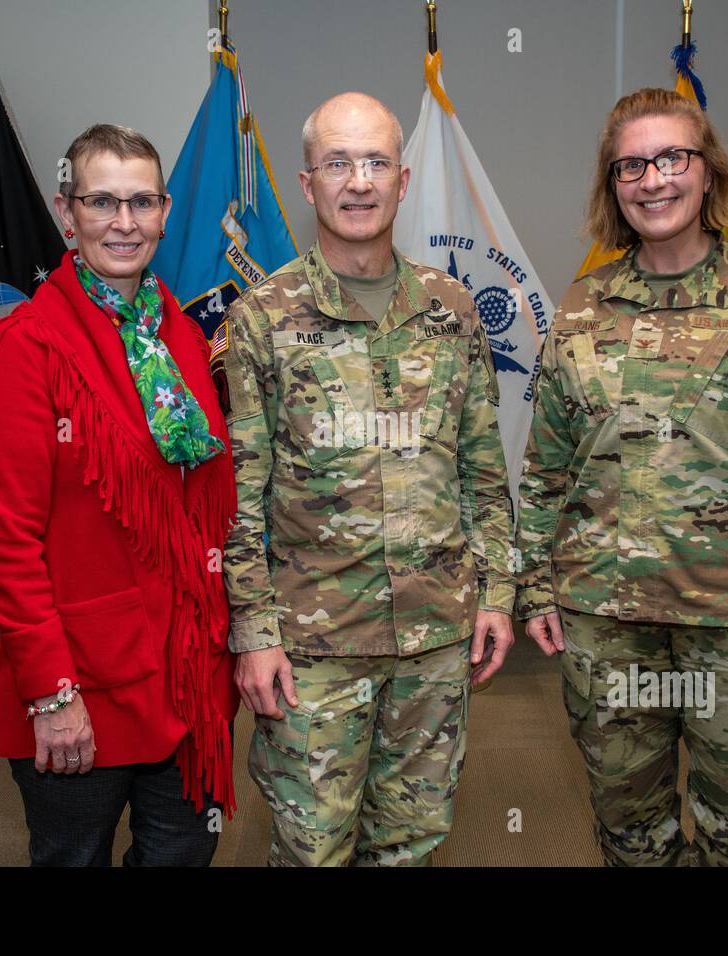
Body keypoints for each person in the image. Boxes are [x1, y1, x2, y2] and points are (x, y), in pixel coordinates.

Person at [515, 88, 728, 866]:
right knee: (630, 828)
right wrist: (534, 586)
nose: (652, 179)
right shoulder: (583, 305)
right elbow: (545, 469)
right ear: (612, 185)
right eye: (630, 165)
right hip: (607, 621)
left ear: (708, 172)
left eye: (672, 158)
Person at [215, 92, 516, 866]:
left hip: (435, 639)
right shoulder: (262, 319)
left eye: (377, 161)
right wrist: (252, 633)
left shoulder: (451, 310)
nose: (359, 181)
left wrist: (500, 593)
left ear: (403, 180)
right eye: (339, 162)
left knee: (411, 845)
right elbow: (241, 498)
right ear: (308, 181)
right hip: (312, 646)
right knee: (312, 848)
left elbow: (483, 469)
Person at [0, 124, 237, 866]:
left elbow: (209, 500)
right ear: (67, 212)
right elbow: (7, 545)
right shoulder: (25, 344)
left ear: (164, 210)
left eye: (141, 202)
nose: (124, 222)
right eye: (103, 201)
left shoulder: (180, 335)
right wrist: (53, 696)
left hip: (187, 679)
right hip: (84, 680)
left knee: (183, 856)